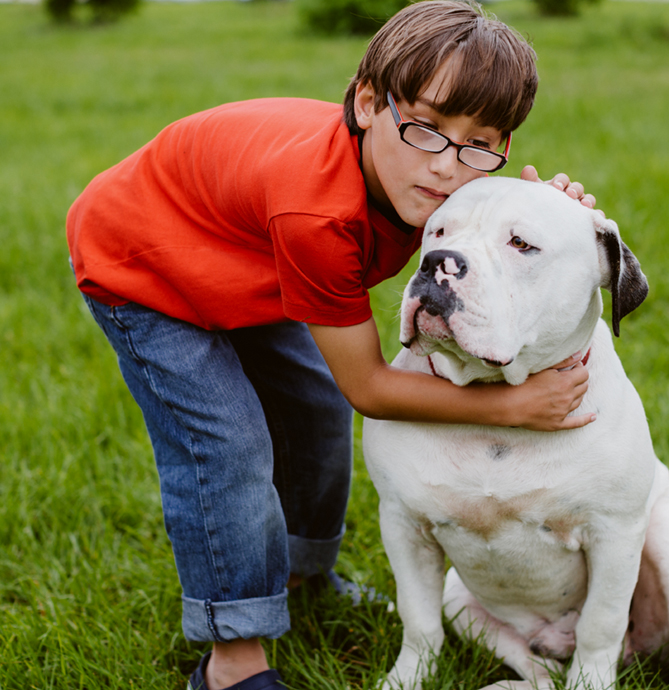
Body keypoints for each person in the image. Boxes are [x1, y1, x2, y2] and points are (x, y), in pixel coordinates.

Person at [66, 2, 598, 688]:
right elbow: (371, 388)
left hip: (243, 260)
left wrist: (549, 215)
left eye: (480, 143)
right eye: (427, 128)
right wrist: (514, 406)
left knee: (314, 409)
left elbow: (511, 234)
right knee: (226, 441)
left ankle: (297, 576)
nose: (446, 167)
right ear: (368, 102)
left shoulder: (431, 177)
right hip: (140, 265)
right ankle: (232, 656)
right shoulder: (318, 214)